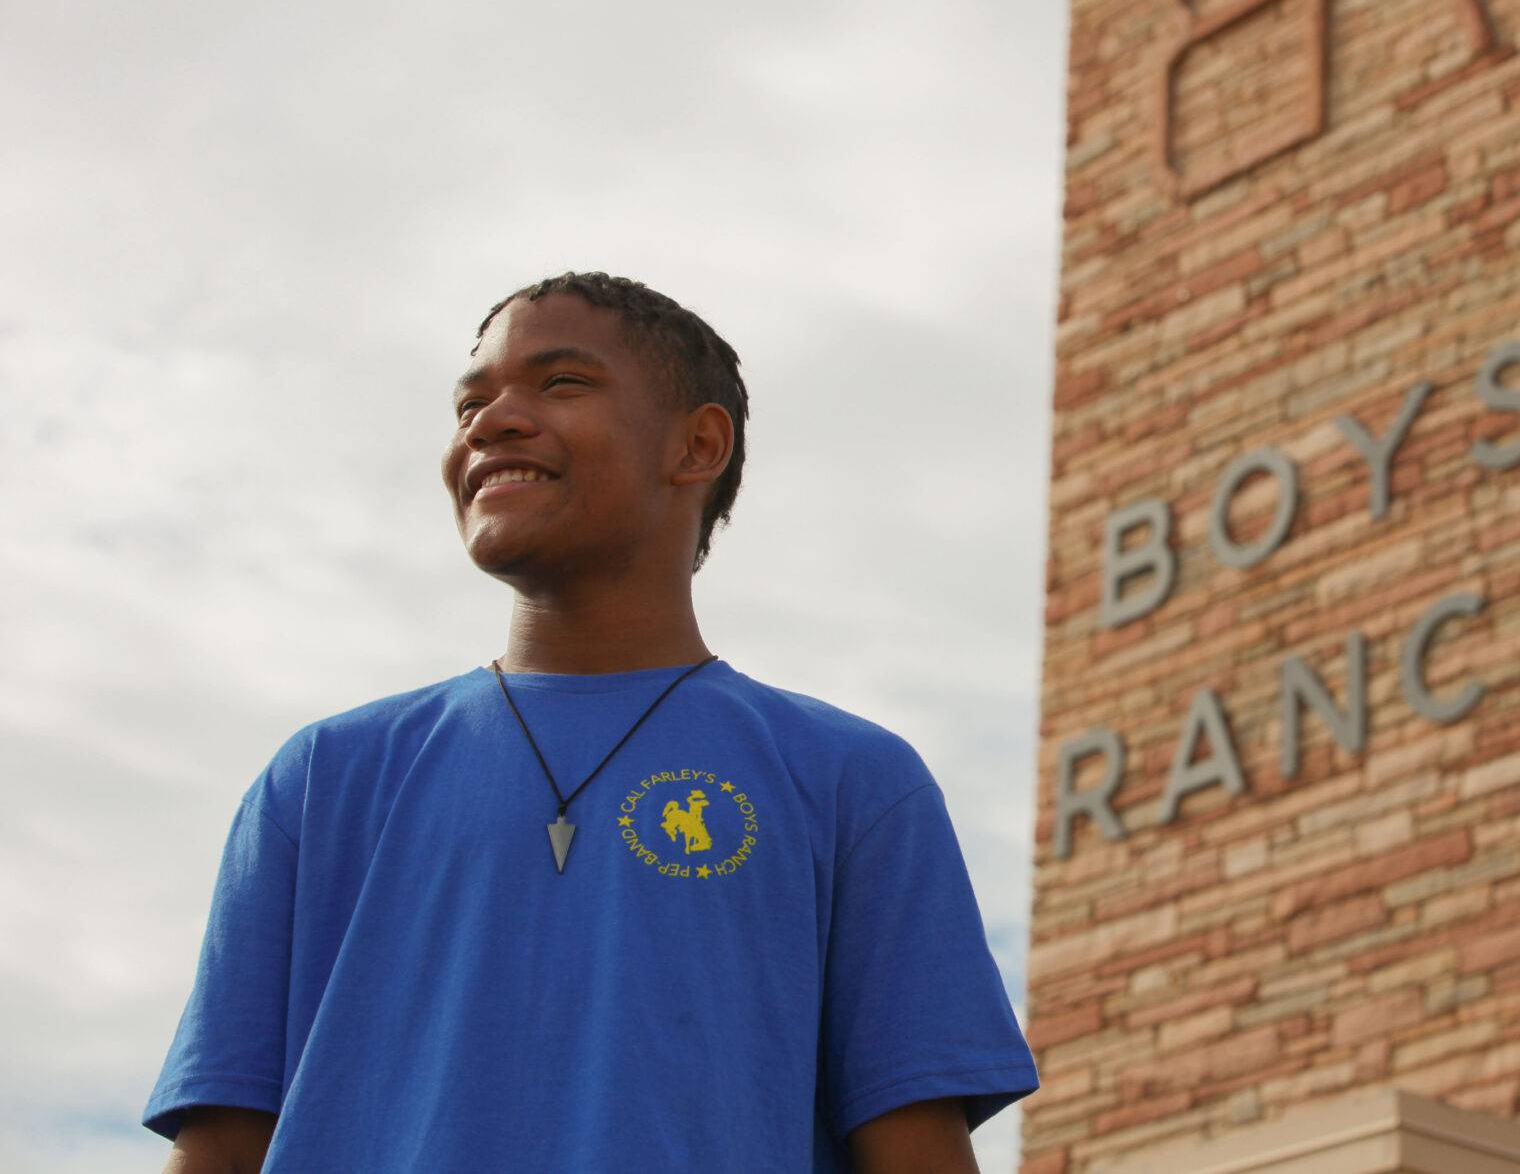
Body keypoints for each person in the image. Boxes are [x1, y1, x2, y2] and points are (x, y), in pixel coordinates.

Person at [143, 271, 1039, 1172]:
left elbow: (916, 1148)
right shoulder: (323, 778)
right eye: (471, 402)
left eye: (561, 383)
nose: (490, 421)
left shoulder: (851, 780)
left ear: (696, 445)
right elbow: (219, 1144)